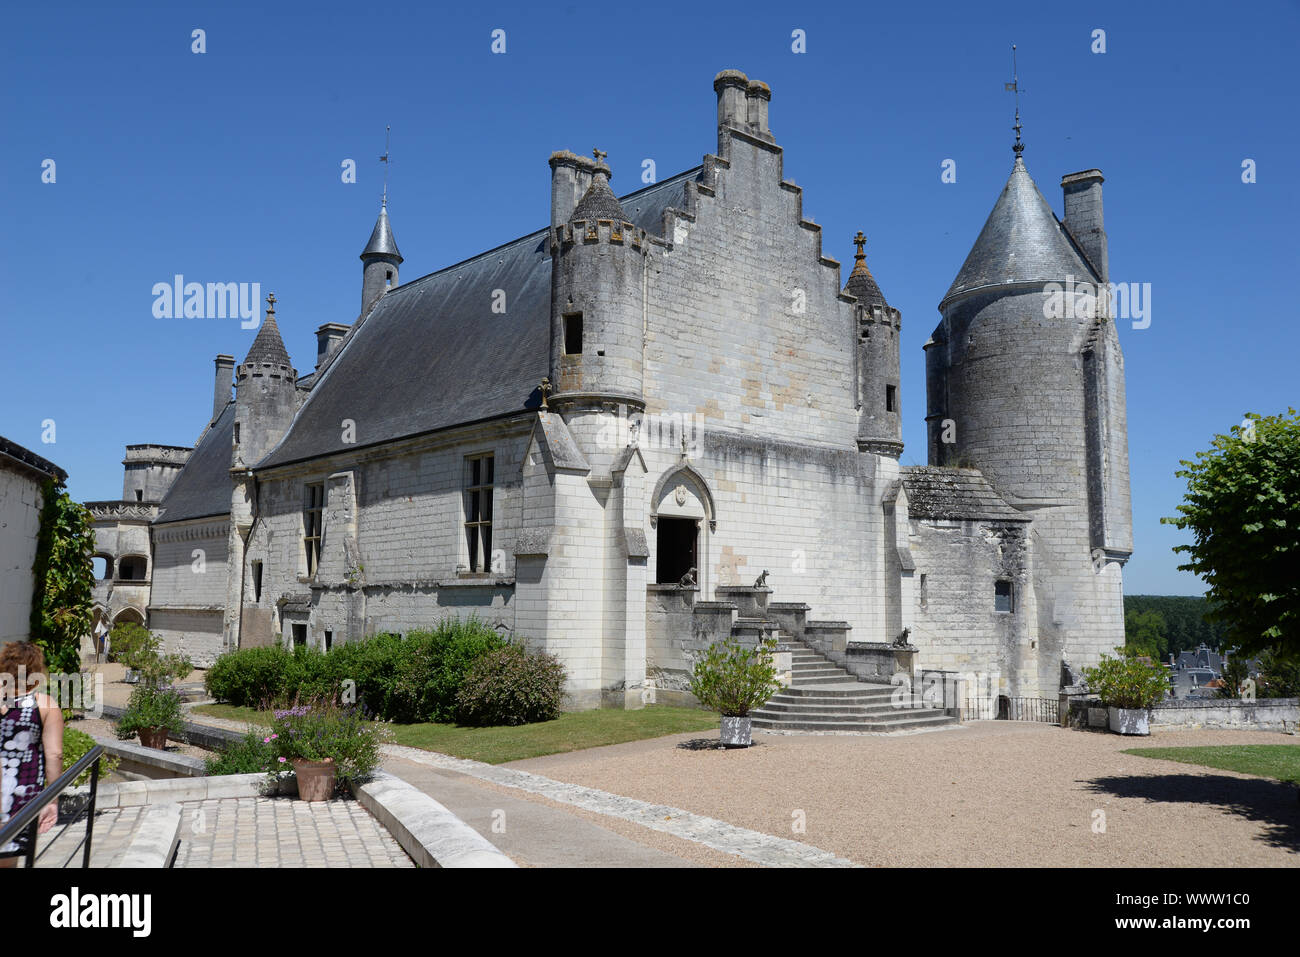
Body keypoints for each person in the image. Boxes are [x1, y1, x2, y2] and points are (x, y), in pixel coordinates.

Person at [0, 642, 64, 866]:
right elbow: (54, 755)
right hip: (20, 797)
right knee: (8, 859)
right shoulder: (45, 705)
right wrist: (53, 800)